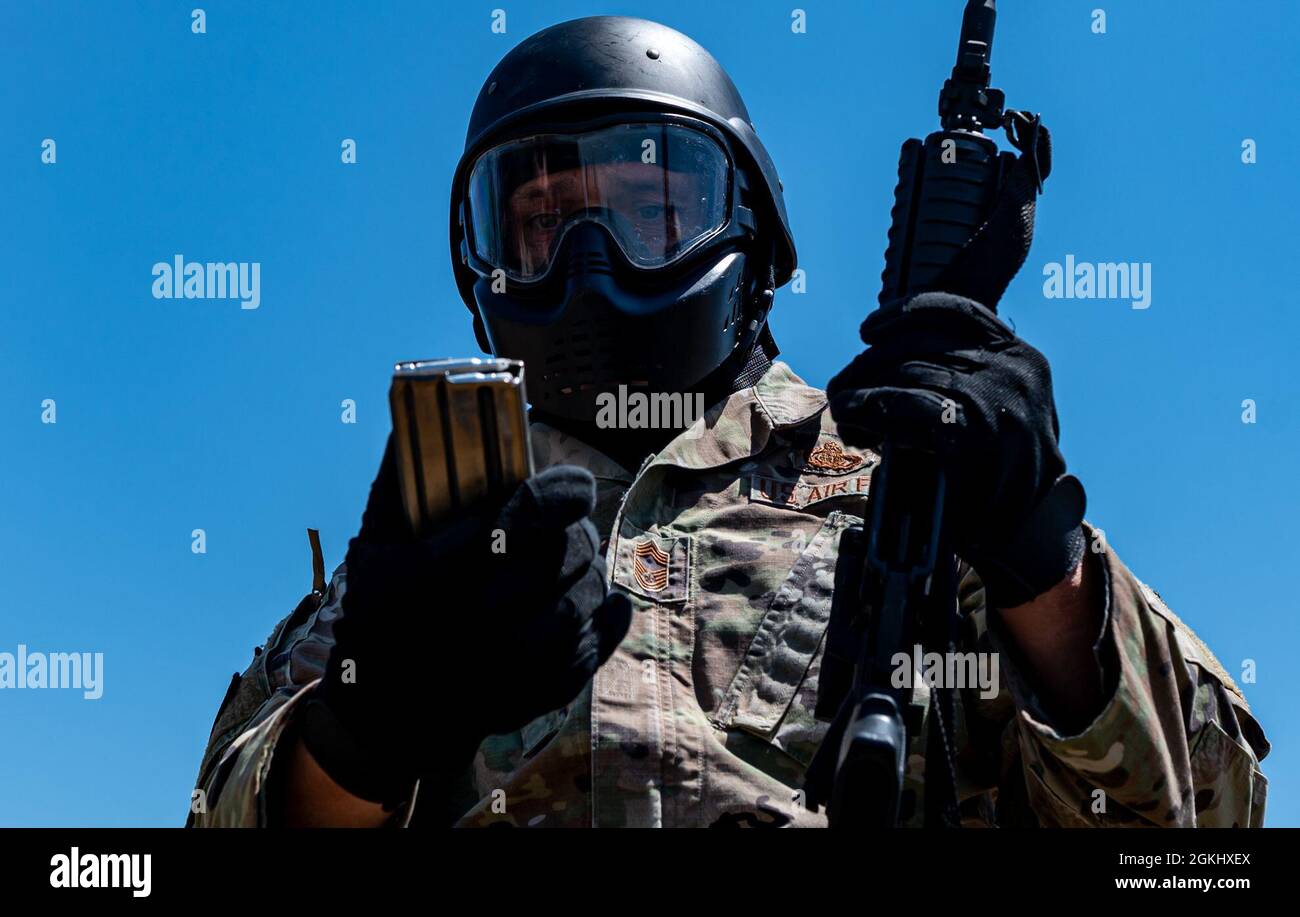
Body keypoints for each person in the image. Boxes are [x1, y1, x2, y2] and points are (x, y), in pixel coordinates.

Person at [190, 16, 1268, 828]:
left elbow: (1205, 833)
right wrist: (363, 721)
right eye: (539, 222)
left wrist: (1041, 557)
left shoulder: (912, 484)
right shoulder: (446, 554)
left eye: (652, 209)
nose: (592, 261)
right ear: (481, 260)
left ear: (750, 236)